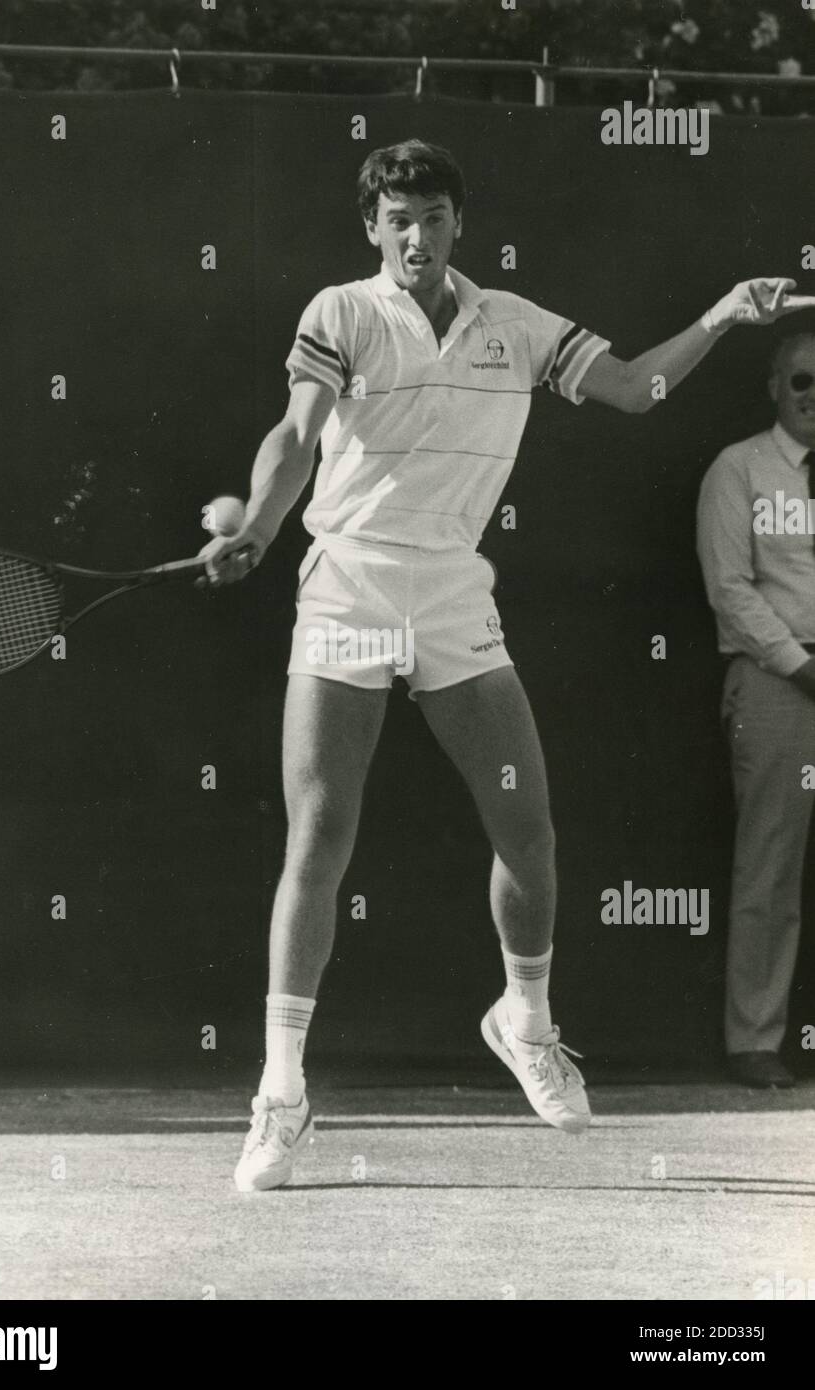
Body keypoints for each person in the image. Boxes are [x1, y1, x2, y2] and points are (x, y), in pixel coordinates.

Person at [201, 139, 814, 1189]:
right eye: (398, 219)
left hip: (451, 594)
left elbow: (632, 389)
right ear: (371, 227)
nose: (417, 238)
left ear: (458, 226)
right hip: (347, 584)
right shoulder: (339, 314)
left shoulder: (516, 325)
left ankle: (523, 1016)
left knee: (526, 828)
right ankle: (281, 1092)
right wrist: (258, 524)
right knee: (321, 832)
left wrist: (720, 315)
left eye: (434, 218)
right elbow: (295, 433)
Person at [697, 331, 815, 1089]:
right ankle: (754, 1039)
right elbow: (730, 591)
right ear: (775, 384)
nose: (813, 395)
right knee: (770, 866)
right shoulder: (738, 470)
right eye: (801, 380)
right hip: (781, 684)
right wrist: (803, 666)